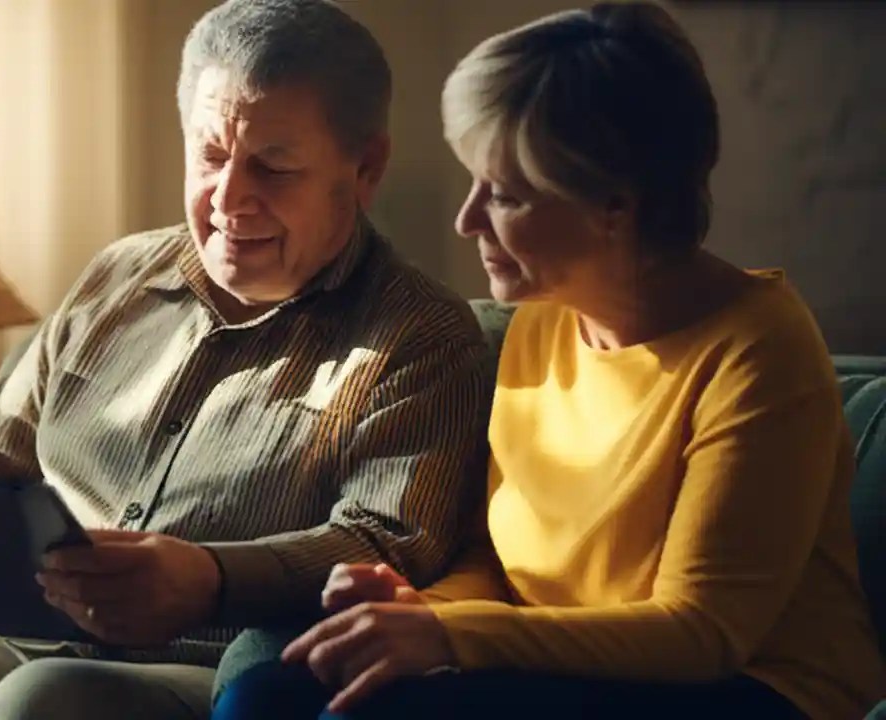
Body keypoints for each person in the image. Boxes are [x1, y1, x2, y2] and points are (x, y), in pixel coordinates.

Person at [0, 1, 491, 719]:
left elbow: (390, 545)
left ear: (365, 168)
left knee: (45, 699)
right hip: (25, 648)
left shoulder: (422, 334)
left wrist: (209, 578)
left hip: (217, 672)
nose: (228, 200)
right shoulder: (119, 277)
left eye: (274, 169)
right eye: (211, 156)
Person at [212, 3, 886, 719]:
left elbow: (701, 632)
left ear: (614, 205)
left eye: (503, 194)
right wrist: (418, 607)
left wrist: (448, 634)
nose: (467, 220)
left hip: (751, 689)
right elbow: (491, 561)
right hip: (556, 664)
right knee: (263, 695)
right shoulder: (539, 323)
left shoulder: (756, 350)